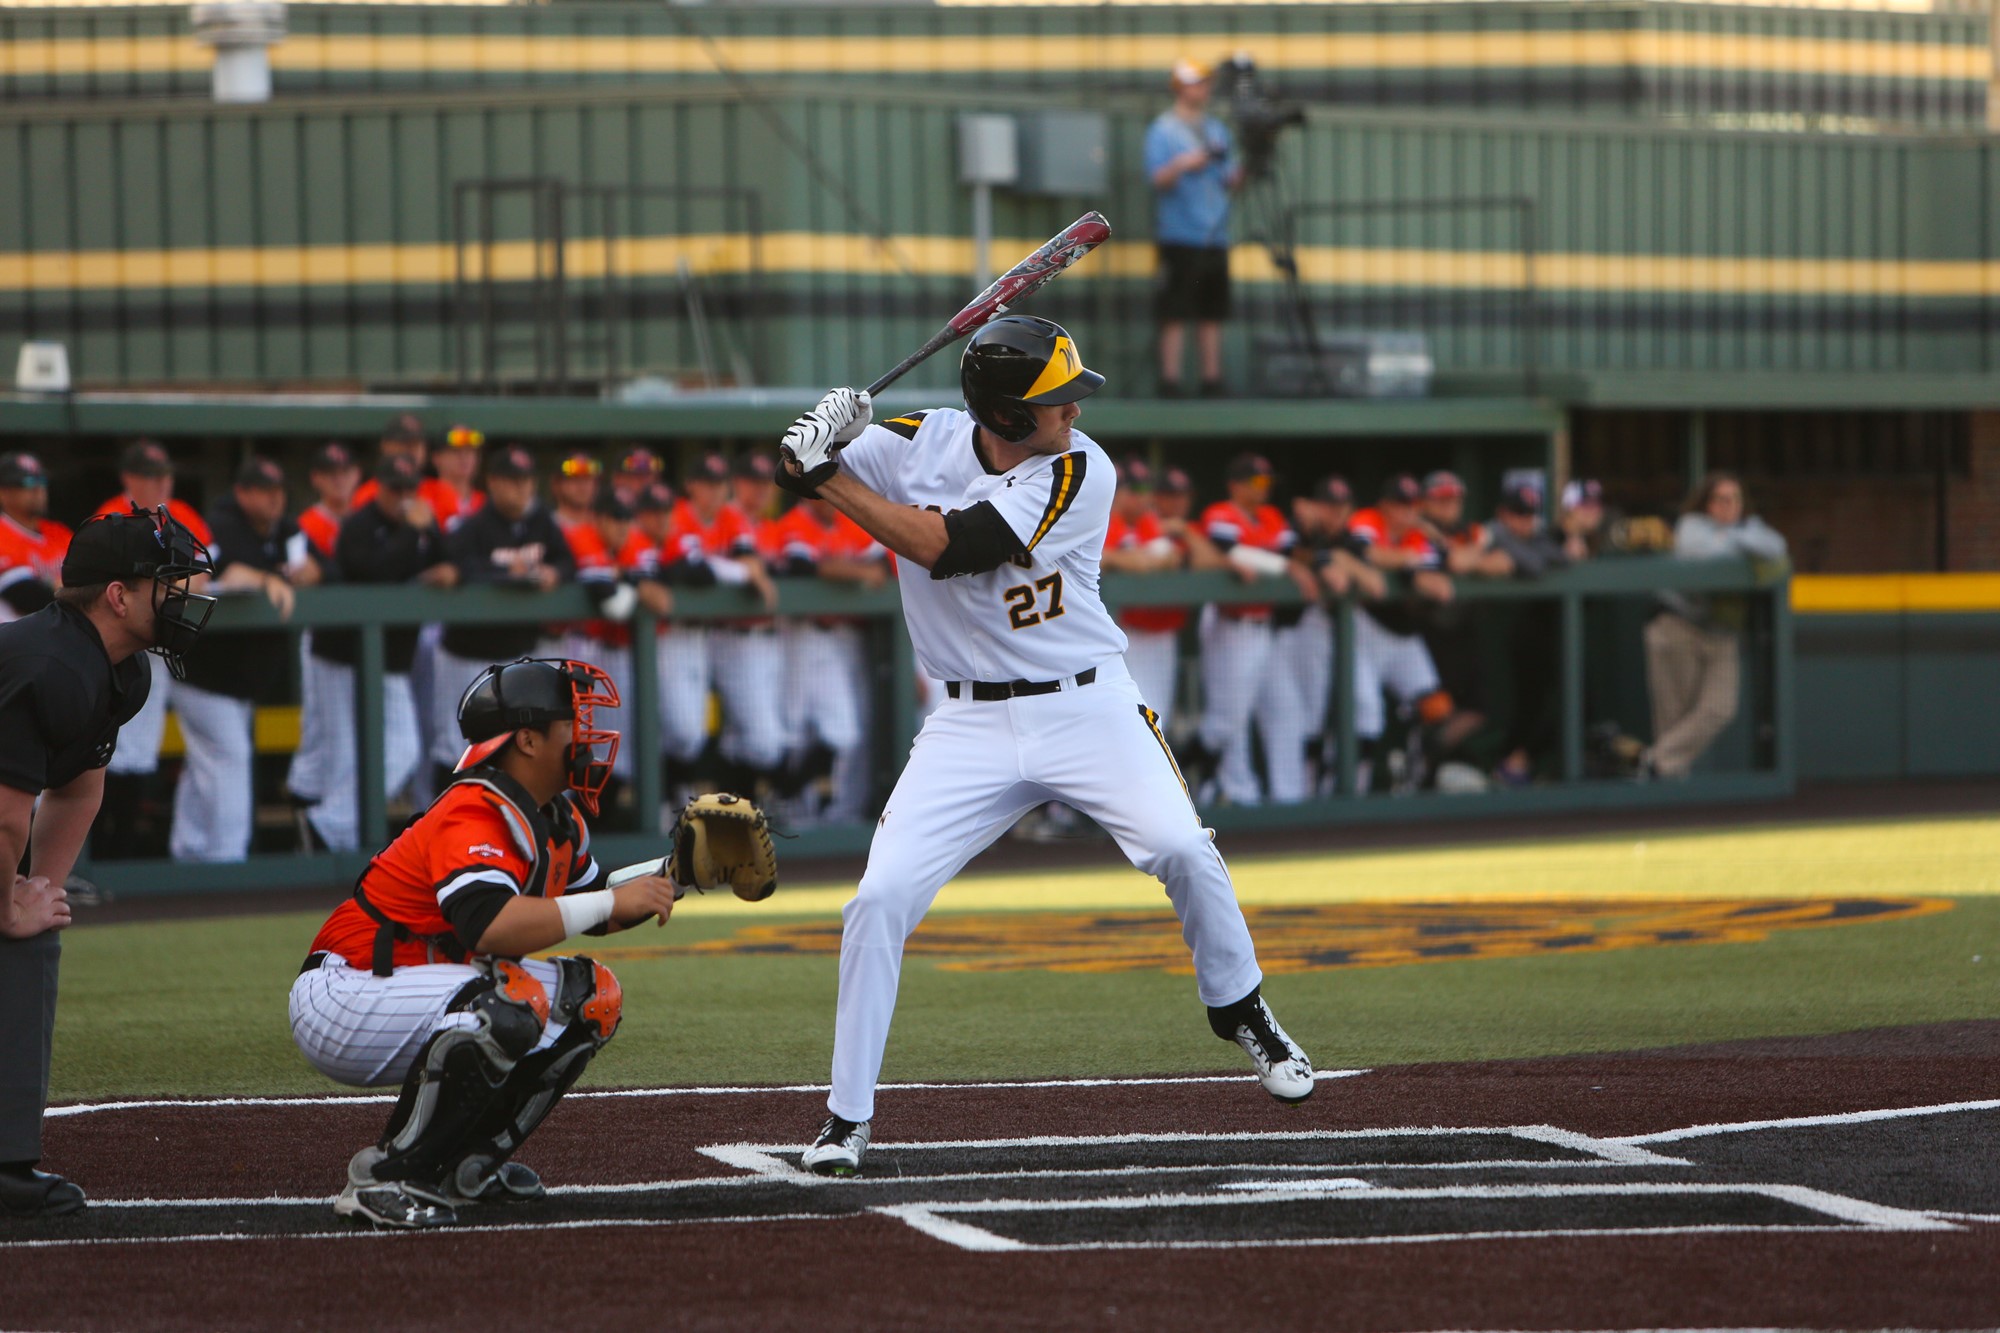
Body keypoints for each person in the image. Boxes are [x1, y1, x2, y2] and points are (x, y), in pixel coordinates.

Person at [774, 314, 1314, 1177]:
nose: (1073, 409)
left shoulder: (1080, 468)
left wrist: (826, 475)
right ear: (1008, 415)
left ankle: (1240, 1006)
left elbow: (949, 548)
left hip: (1087, 707)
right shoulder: (926, 442)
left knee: (1182, 845)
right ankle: (846, 1119)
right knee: (877, 900)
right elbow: (819, 462)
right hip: (964, 725)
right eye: (1056, 399)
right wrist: (816, 438)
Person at [288, 658, 679, 1229]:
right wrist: (612, 903)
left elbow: (599, 905)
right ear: (526, 738)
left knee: (592, 995)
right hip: (347, 991)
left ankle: (466, 1168)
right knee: (513, 1001)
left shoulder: (551, 814)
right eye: (574, 720)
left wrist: (682, 875)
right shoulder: (475, 808)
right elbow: (490, 926)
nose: (587, 735)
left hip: (413, 985)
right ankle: (384, 1176)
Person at [0, 506, 214, 1217]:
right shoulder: (52, 663)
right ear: (119, 595)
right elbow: (4, 815)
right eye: (170, 583)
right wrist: (7, 900)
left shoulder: (121, 674)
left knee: (33, 933)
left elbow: (77, 791)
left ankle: (7, 1159)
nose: (188, 596)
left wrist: (37, 891)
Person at [303, 456, 459, 851]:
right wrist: (412, 531)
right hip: (341, 655)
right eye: (396, 490)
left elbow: (449, 562)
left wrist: (439, 555)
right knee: (342, 755)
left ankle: (326, 825)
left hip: (390, 660)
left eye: (411, 489)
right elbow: (376, 574)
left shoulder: (422, 523)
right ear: (380, 488)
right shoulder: (360, 524)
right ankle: (336, 838)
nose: (405, 497)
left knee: (405, 749)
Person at [170, 457, 321, 862]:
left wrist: (309, 572)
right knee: (229, 759)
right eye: (264, 491)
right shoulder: (221, 523)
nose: (274, 499)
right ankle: (225, 861)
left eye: (278, 491)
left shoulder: (286, 529)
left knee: (208, 766)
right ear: (242, 492)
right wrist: (267, 577)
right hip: (201, 673)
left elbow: (318, 564)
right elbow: (222, 569)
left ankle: (190, 852)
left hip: (236, 682)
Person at [89, 441, 216, 856]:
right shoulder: (112, 514)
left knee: (140, 748)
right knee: (107, 746)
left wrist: (168, 585)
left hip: (158, 647)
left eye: (165, 474)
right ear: (129, 478)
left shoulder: (182, 514)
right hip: (112, 646)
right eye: (151, 475)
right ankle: (100, 858)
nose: (161, 482)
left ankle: (122, 856)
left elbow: (204, 575)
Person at [431, 445, 576, 781]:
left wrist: (555, 573)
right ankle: (436, 821)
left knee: (509, 754)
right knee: (455, 749)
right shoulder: (474, 526)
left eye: (526, 481)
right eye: (512, 481)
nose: (520, 489)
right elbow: (457, 568)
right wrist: (507, 575)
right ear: (493, 482)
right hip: (464, 656)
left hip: (516, 657)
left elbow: (567, 561)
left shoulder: (541, 522)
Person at [1186, 454, 1321, 805]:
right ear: (1236, 485)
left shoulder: (1273, 517)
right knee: (1228, 722)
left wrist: (1307, 532)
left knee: (1287, 712)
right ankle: (1220, 788)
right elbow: (1229, 549)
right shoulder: (1221, 513)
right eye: (1256, 482)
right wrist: (1282, 564)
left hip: (1264, 629)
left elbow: (1296, 557)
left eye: (1266, 482)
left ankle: (1288, 797)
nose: (1264, 488)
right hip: (1229, 625)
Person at [1643, 472, 1788, 779]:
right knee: (1674, 717)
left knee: (1721, 708)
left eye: (1735, 499)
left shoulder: (1749, 526)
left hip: (1721, 633)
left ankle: (1652, 762)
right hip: (1678, 626)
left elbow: (1777, 548)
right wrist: (1742, 544)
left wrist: (1734, 536)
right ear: (1706, 503)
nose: (1729, 506)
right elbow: (1706, 554)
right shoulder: (1691, 525)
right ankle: (1669, 802)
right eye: (1721, 499)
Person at [661, 453, 781, 797]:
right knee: (681, 731)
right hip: (671, 634)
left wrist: (744, 567)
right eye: (706, 484)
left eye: (718, 485)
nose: (713, 492)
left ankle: (718, 804)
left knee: (698, 732)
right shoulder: (679, 514)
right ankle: (666, 799)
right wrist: (743, 573)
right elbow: (693, 572)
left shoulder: (729, 515)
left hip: (706, 635)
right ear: (691, 486)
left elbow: (748, 553)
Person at [765, 494, 888, 825]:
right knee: (794, 728)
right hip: (800, 633)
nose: (829, 502)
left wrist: (849, 571)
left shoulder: (847, 520)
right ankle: (794, 810)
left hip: (839, 637)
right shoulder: (794, 522)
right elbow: (802, 566)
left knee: (843, 732)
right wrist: (856, 573)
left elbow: (881, 563)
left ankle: (789, 795)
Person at [1347, 475, 1458, 793]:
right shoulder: (1367, 519)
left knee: (1435, 708)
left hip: (1402, 634)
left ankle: (1412, 784)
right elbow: (1364, 552)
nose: (1407, 513)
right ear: (1385, 505)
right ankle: (1353, 794)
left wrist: (1413, 566)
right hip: (1361, 628)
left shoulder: (1415, 534)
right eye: (1400, 505)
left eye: (1412, 506)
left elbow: (1432, 576)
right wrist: (1407, 560)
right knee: (1366, 718)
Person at [1146, 59, 1240, 398]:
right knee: (1174, 311)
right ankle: (1170, 381)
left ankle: (1211, 379)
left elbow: (1231, 178)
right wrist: (1187, 163)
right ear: (1180, 87)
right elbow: (1158, 178)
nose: (1202, 90)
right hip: (1179, 236)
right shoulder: (1163, 130)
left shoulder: (1217, 130)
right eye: (1195, 83)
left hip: (1214, 234)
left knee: (1211, 310)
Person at [1485, 482, 1573, 787]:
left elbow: (1559, 557)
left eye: (1529, 515)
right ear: (1502, 514)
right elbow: (1537, 565)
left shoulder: (1535, 535)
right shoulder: (1490, 533)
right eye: (1517, 514)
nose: (1525, 521)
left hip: (1532, 637)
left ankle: (1514, 766)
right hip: (1473, 634)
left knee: (1551, 704)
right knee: (1508, 707)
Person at [0, 452, 70, 623]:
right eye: (28, 483)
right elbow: (27, 595)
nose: (38, 489)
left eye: (41, 481)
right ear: (3, 493)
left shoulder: (59, 532)